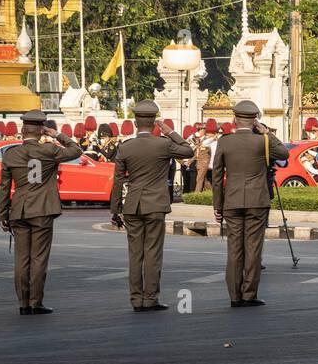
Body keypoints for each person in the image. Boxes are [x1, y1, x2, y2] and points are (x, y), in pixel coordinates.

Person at [109, 100, 194, 313]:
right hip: (155, 203)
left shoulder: (125, 147)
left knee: (135, 254)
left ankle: (136, 299)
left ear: (136, 122)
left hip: (133, 205)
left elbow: (118, 180)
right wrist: (170, 131)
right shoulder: (163, 144)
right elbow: (188, 151)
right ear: (154, 123)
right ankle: (151, 298)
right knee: (153, 253)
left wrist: (115, 209)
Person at [0, 110, 82, 316]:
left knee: (22, 259)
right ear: (41, 130)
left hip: (19, 209)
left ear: (22, 130)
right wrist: (56, 135)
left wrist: (3, 215)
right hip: (43, 209)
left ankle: (23, 303)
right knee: (39, 259)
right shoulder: (49, 150)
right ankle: (36, 301)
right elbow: (76, 150)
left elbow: (4, 187)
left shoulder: (11, 154)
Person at [211, 100, 290, 309]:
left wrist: (217, 206)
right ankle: (249, 294)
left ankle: (234, 295)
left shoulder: (224, 142)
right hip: (257, 200)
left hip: (232, 200)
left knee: (234, 248)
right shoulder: (262, 141)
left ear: (235, 119)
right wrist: (267, 134)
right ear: (255, 121)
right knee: (253, 248)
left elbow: (217, 176)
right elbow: (283, 153)